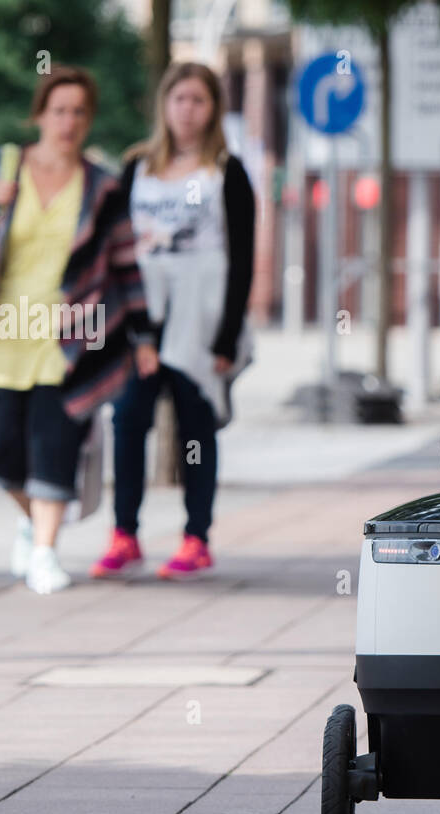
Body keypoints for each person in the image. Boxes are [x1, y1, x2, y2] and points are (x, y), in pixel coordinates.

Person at [0, 66, 152, 595]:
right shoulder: (3, 165)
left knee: (56, 442)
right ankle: (31, 520)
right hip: (3, 328)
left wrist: (143, 338)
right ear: (39, 113)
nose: (69, 121)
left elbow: (128, 264)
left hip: (71, 334)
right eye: (59, 109)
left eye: (80, 111)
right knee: (2, 448)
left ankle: (44, 551)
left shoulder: (102, 185)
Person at [90, 62, 256, 581]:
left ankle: (196, 537)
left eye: (199, 100)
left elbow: (244, 258)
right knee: (128, 420)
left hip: (200, 322)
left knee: (195, 425)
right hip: (142, 320)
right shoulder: (136, 167)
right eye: (179, 99)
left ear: (213, 109)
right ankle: (125, 534)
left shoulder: (228, 171)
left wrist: (227, 335)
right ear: (165, 105)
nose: (188, 110)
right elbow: (113, 248)